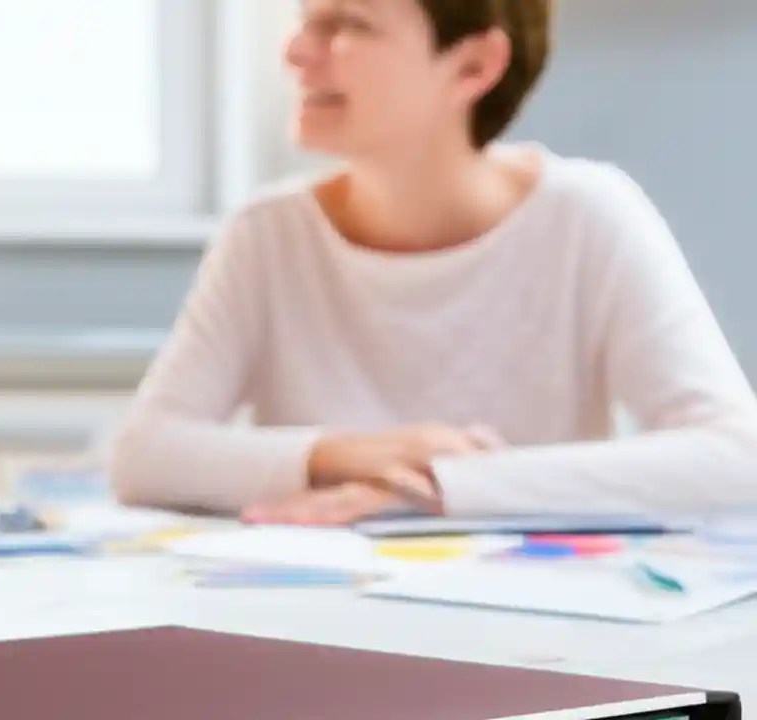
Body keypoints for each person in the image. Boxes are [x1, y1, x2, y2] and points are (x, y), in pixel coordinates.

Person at [111, 0, 757, 525]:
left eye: (348, 25)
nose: (296, 53)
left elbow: (736, 456)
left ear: (474, 65)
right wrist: (347, 455)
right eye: (305, 21)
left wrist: (442, 487)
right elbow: (145, 455)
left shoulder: (589, 215)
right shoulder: (267, 235)